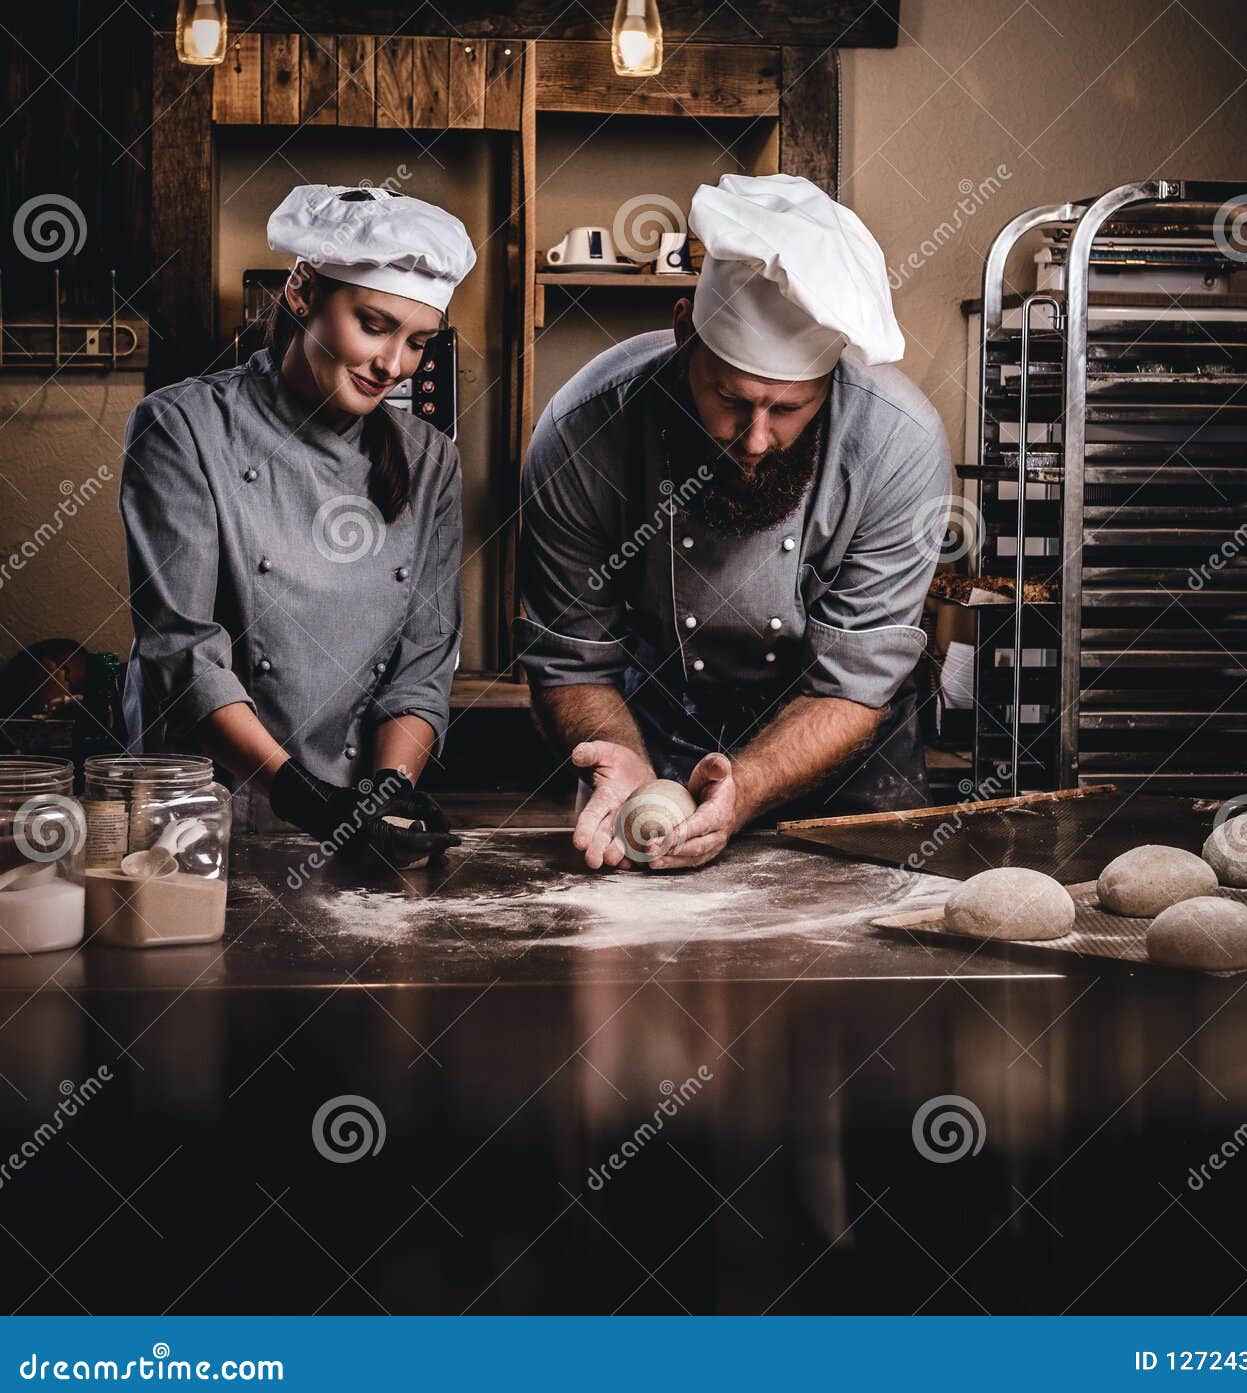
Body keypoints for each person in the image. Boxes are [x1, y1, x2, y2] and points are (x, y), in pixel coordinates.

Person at [516, 173, 950, 872]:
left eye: (788, 410)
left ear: (832, 379)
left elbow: (853, 682)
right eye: (730, 398)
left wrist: (743, 788)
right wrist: (621, 762)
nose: (754, 439)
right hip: (653, 745)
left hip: (847, 766)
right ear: (686, 332)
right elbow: (572, 656)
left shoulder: (899, 445)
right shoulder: (584, 430)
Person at [120, 184, 473, 866]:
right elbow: (182, 653)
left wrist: (385, 795)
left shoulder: (431, 460)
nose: (392, 366)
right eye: (374, 325)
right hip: (200, 814)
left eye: (418, 343)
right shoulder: (182, 428)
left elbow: (422, 666)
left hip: (348, 817)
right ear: (304, 290)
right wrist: (303, 799)